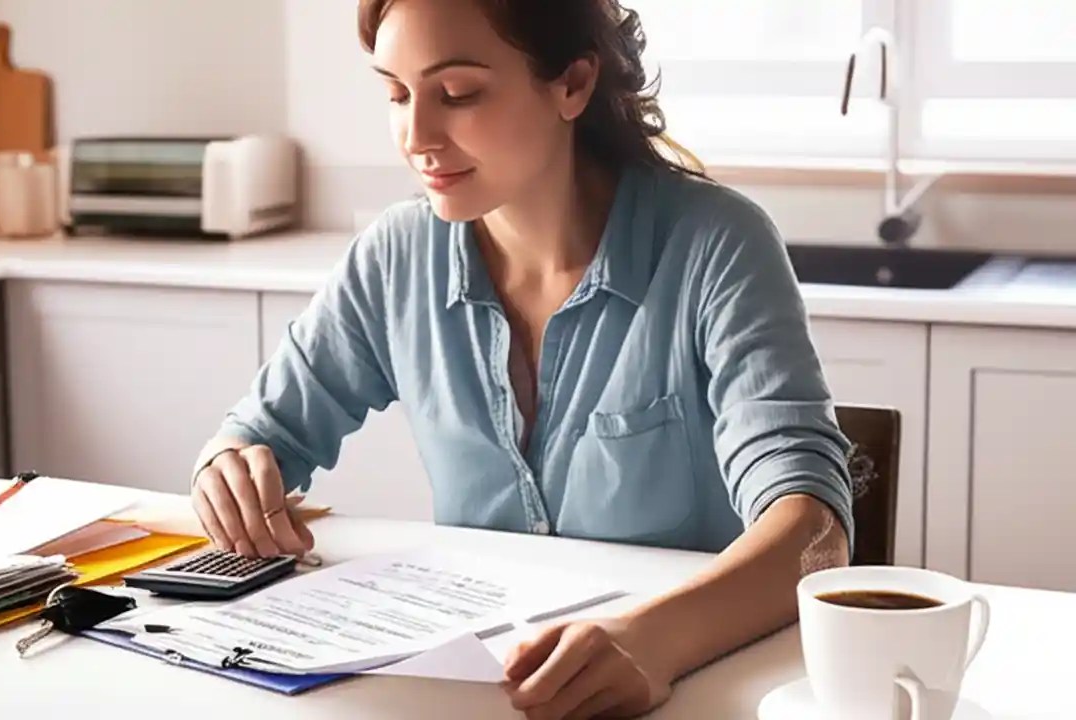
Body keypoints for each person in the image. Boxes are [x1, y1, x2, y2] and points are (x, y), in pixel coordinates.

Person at [190, 0, 853, 717]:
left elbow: (814, 535)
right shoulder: (396, 256)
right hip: (478, 691)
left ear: (571, 84)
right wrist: (230, 466)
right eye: (395, 92)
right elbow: (260, 434)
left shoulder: (716, 244)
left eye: (459, 94)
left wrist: (651, 640)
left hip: (693, 693)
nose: (417, 136)